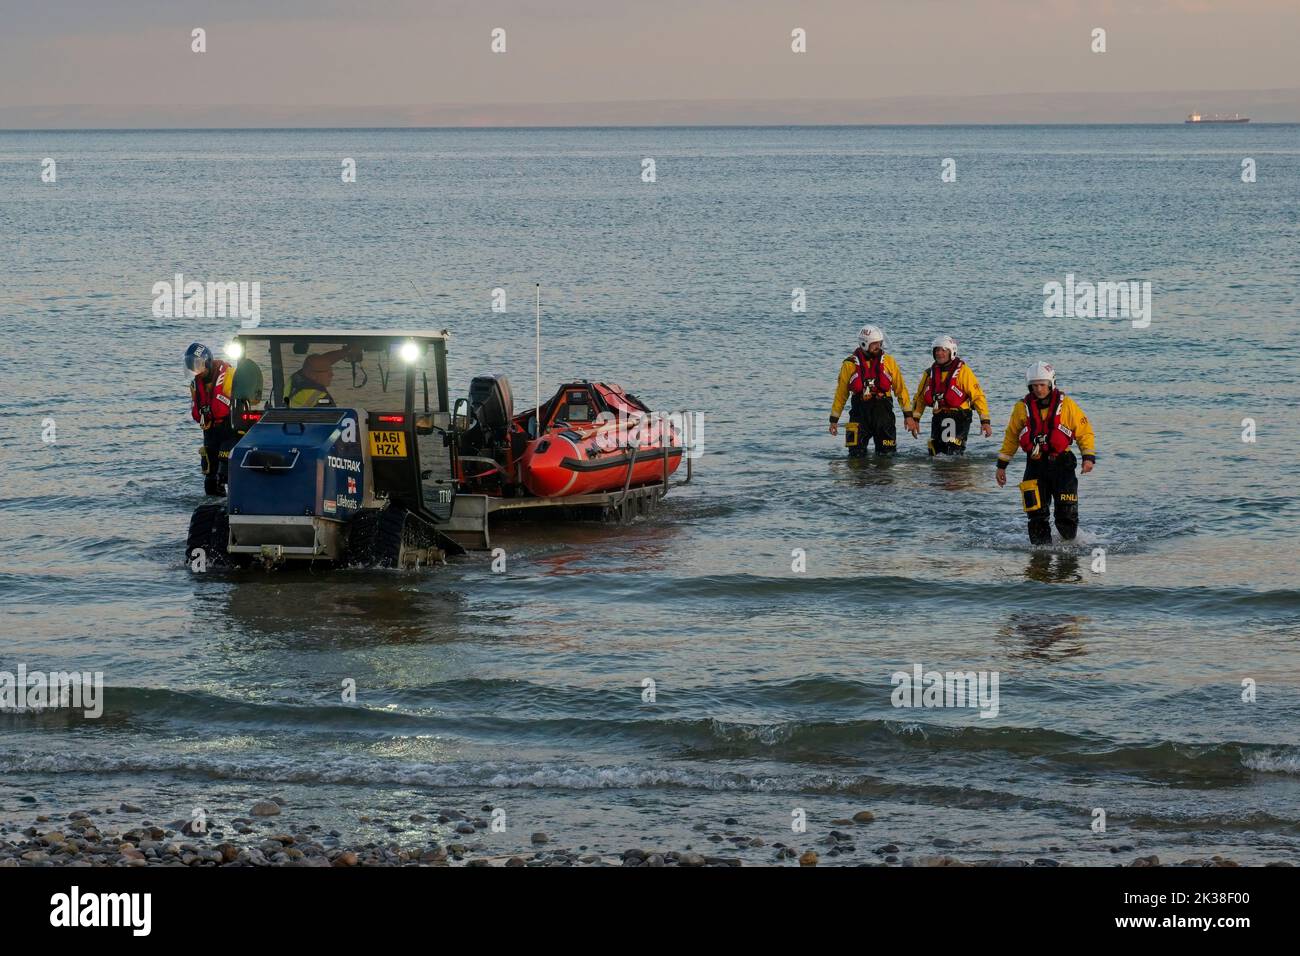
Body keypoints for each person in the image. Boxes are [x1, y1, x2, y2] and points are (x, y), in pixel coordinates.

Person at [996, 361, 1097, 544]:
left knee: (1066, 514)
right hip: (1035, 465)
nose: (1039, 389)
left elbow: (1084, 431)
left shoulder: (1067, 405)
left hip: (1062, 464)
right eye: (1034, 385)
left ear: (1051, 384)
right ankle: (1040, 557)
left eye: (1042, 385)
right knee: (1036, 514)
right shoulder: (1021, 408)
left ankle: (1070, 548)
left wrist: (1088, 458)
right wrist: (1002, 466)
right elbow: (1011, 436)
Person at [829, 325, 913, 456]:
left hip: (883, 414)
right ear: (864, 344)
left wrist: (908, 416)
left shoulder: (889, 362)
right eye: (874, 344)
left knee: (887, 455)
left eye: (879, 343)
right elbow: (841, 394)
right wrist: (834, 420)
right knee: (855, 456)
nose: (878, 346)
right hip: (859, 414)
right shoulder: (849, 364)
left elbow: (901, 389)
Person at [905, 334, 992, 455]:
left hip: (959, 416)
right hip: (939, 415)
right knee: (935, 452)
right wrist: (915, 419)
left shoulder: (963, 371)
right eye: (937, 350)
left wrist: (985, 422)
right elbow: (920, 398)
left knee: (953, 451)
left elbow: (978, 397)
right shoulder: (929, 373)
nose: (939, 353)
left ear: (951, 352)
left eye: (943, 350)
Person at [186, 342, 234, 495]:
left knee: (225, 473)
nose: (196, 370)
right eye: (192, 366)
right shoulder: (196, 384)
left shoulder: (229, 376)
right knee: (210, 479)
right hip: (210, 432)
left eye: (198, 365)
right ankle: (213, 508)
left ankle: (236, 508)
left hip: (229, 430)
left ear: (207, 361)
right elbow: (197, 410)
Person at [285, 345, 363, 408]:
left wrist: (345, 352)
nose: (332, 374)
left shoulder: (295, 378)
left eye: (331, 370)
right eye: (327, 371)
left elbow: (321, 361)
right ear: (313, 375)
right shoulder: (320, 398)